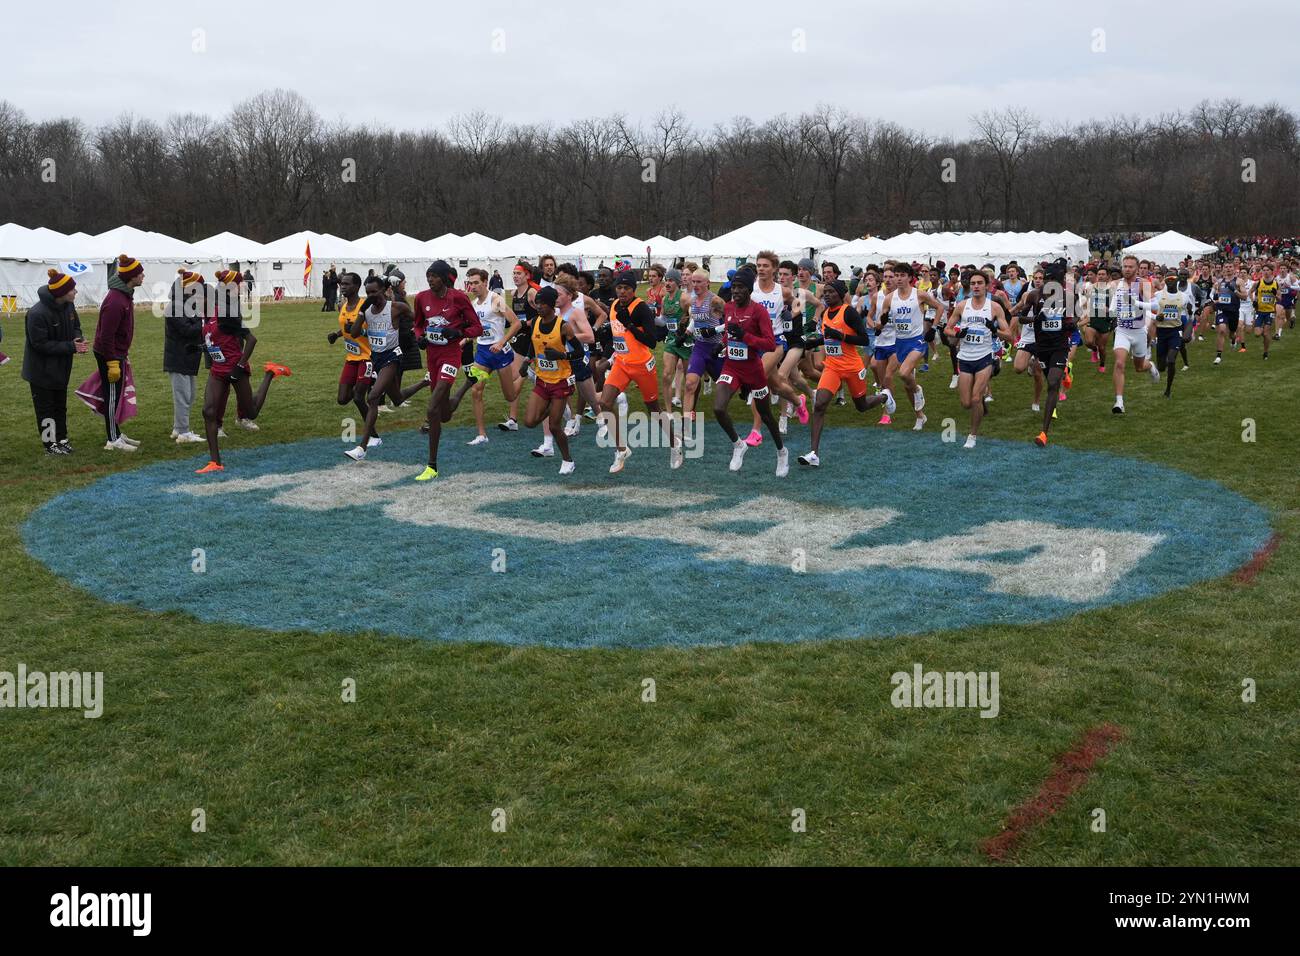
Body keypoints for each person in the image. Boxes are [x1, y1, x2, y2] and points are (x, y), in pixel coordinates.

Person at [194, 271, 292, 474]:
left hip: (235, 368)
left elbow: (251, 340)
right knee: (208, 411)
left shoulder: (225, 314)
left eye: (197, 297)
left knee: (251, 413)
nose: (193, 301)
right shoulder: (205, 316)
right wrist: (202, 348)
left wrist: (239, 366)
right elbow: (214, 340)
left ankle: (270, 373)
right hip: (217, 370)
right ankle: (215, 462)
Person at [796, 280, 893, 466]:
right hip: (832, 367)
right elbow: (827, 338)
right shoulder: (824, 314)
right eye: (825, 292)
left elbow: (864, 339)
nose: (827, 295)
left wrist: (841, 336)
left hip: (852, 367)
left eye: (831, 292)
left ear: (841, 294)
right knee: (820, 404)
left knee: (862, 406)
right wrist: (811, 343)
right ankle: (813, 454)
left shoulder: (848, 312)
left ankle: (884, 396)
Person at [599, 271, 676, 473]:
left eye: (626, 288)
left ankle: (674, 442)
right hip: (622, 364)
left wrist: (631, 325)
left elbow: (651, 341)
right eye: (619, 288)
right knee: (605, 403)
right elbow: (618, 337)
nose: (622, 291)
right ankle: (621, 450)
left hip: (642, 366)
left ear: (634, 290)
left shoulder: (640, 308)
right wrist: (609, 358)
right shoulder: (615, 306)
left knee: (653, 409)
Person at [413, 261, 483, 481]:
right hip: (432, 357)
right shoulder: (421, 298)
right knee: (443, 414)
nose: (430, 280)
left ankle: (431, 465)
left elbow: (477, 328)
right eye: (428, 276)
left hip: (451, 356)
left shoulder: (459, 298)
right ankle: (466, 385)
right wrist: (420, 339)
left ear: (443, 278)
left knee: (432, 409)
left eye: (433, 276)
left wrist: (457, 333)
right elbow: (417, 325)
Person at [712, 271, 786, 476]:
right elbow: (729, 333)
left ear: (749, 289)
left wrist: (746, 336)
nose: (735, 291)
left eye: (740, 287)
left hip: (753, 370)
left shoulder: (759, 311)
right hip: (731, 367)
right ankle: (738, 445)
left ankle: (781, 452)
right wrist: (721, 346)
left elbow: (770, 344)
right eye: (733, 287)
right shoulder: (728, 308)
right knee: (718, 408)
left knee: (766, 415)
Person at [444, 267, 521, 446]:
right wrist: (465, 339)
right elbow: (477, 329)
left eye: (476, 283)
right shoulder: (472, 305)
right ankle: (481, 434)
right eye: (470, 283)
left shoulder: (496, 300)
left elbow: (516, 323)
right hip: (483, 354)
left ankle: (524, 375)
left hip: (500, 353)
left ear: (486, 282)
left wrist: (501, 342)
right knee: (476, 390)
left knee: (510, 396)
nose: (473, 286)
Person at [343, 276, 416, 462]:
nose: (370, 296)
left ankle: (363, 447)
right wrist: (361, 312)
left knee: (373, 397)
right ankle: (426, 381)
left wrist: (415, 333)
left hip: (392, 357)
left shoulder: (395, 307)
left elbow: (415, 318)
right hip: (376, 358)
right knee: (397, 398)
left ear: (384, 290)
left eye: (374, 292)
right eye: (367, 293)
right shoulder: (367, 310)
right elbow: (354, 333)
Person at [22, 268, 87, 455]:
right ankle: (50, 444)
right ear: (61, 292)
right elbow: (40, 345)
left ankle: (62, 438)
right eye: (72, 289)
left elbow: (76, 327)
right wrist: (70, 347)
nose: (76, 292)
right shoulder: (37, 314)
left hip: (61, 368)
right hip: (40, 371)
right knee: (46, 409)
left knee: (60, 406)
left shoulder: (69, 306)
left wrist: (77, 339)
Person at [943, 271, 1010, 449]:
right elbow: (947, 330)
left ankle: (972, 435)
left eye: (980, 283)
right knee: (966, 403)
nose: (976, 286)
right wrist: (958, 333)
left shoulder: (994, 307)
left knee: (975, 398)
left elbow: (1009, 335)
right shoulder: (962, 306)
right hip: (965, 358)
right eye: (973, 283)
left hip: (984, 357)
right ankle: (979, 406)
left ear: (987, 285)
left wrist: (995, 330)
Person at [523, 286, 577, 475]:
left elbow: (578, 352)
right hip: (542, 380)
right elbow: (533, 344)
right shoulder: (536, 321)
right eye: (537, 303)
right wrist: (527, 361)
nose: (538, 307)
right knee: (529, 421)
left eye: (543, 304)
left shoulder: (563, 326)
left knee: (554, 426)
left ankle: (568, 460)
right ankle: (555, 408)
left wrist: (560, 355)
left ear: (552, 305)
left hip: (560, 381)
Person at [94, 254, 144, 451]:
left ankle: (116, 432)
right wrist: (112, 361)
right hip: (110, 354)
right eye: (140, 274)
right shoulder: (116, 300)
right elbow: (106, 335)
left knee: (115, 393)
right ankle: (112, 439)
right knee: (112, 395)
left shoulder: (124, 295)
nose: (143, 276)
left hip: (117, 352)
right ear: (131, 277)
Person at [326, 272, 378, 440]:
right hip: (351, 358)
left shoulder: (366, 307)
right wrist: (336, 334)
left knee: (358, 398)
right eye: (342, 283)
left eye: (347, 284)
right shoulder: (342, 305)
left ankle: (373, 436)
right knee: (342, 399)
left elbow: (377, 332)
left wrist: (360, 331)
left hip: (367, 357)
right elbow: (346, 326)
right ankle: (363, 384)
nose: (342, 286)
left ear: (356, 287)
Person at [164, 268, 207, 444]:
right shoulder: (175, 307)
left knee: (189, 395)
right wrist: (202, 321)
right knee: (183, 395)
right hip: (179, 357)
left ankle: (178, 428)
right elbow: (187, 330)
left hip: (187, 357)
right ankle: (183, 432)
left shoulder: (187, 305)